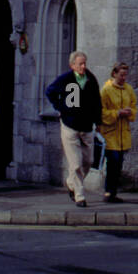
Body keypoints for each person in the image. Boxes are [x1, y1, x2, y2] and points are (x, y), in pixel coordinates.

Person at [46, 50, 102, 207]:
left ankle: (71, 183)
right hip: (70, 126)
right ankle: (79, 195)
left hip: (87, 126)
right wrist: (60, 108)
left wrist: (98, 122)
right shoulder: (65, 79)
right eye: (80, 64)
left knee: (88, 161)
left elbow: (97, 101)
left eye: (84, 63)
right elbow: (49, 92)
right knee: (76, 163)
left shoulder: (91, 79)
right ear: (72, 65)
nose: (83, 66)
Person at [99, 61, 138, 203]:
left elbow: (134, 106)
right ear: (114, 74)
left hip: (123, 133)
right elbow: (101, 112)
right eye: (121, 75)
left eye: (125, 75)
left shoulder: (128, 89)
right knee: (113, 162)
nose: (123, 78)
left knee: (119, 163)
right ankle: (108, 192)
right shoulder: (106, 90)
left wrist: (129, 112)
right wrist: (117, 113)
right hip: (111, 132)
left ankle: (113, 192)